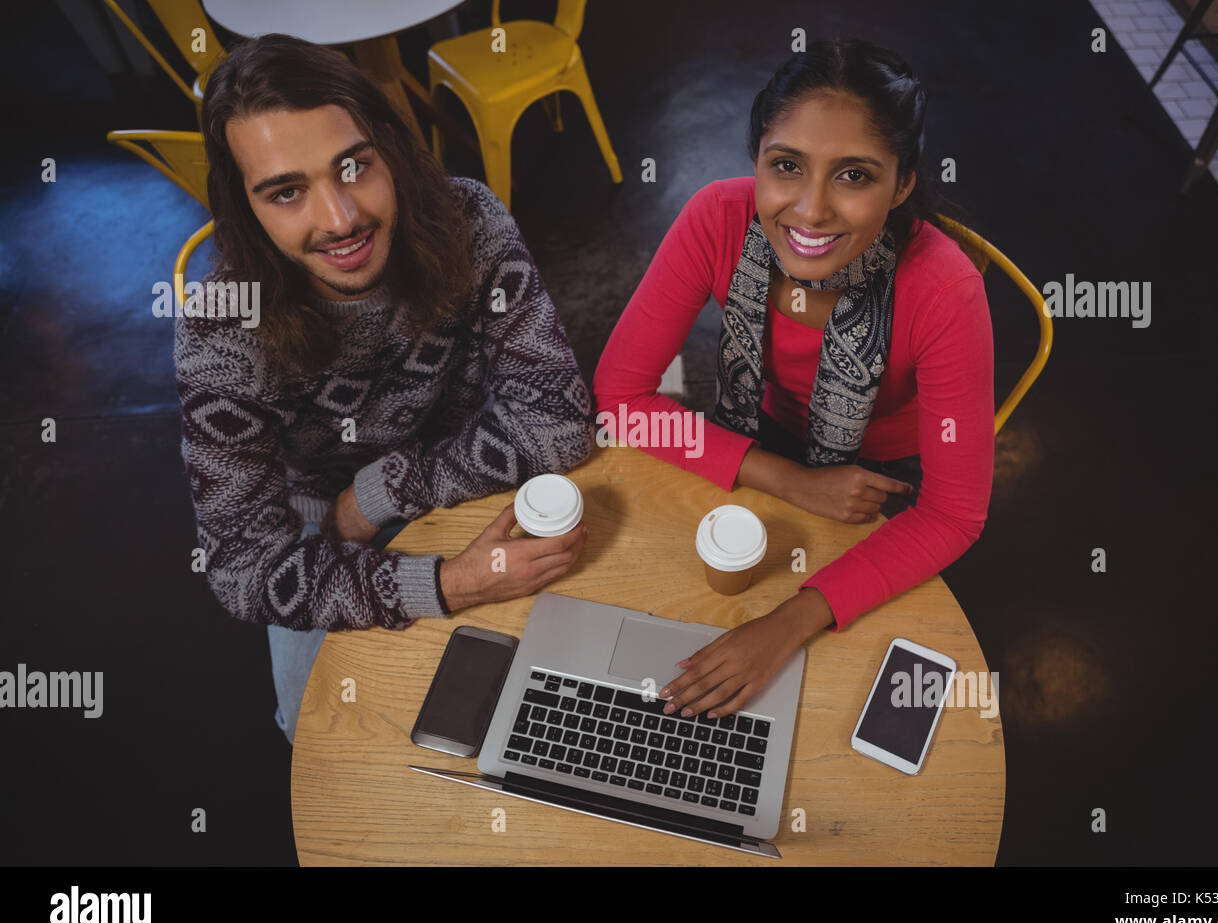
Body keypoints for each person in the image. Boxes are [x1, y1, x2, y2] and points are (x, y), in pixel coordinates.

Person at [175, 35, 593, 744]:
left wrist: (380, 491)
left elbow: (559, 424)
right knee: (324, 735)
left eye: (353, 166)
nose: (339, 218)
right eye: (286, 192)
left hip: (461, 470)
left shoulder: (470, 222)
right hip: (314, 528)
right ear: (245, 207)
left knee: (562, 691)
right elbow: (246, 570)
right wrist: (445, 584)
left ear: (390, 148)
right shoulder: (222, 330)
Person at [593, 39, 993, 722]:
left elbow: (953, 514)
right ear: (757, 161)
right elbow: (620, 399)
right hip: (758, 434)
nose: (810, 211)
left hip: (880, 469)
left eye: (855, 176)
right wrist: (790, 478)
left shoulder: (945, 290)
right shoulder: (716, 218)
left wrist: (790, 623)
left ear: (901, 185)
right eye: (787, 167)